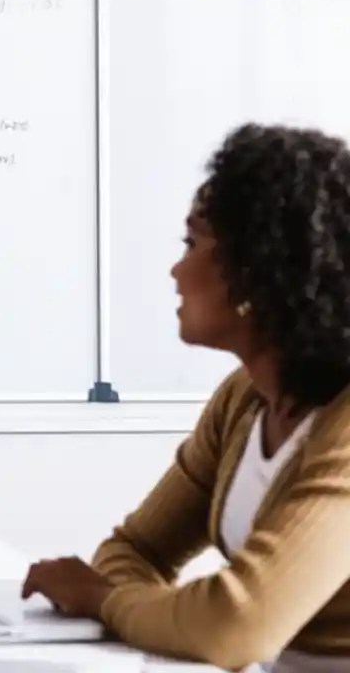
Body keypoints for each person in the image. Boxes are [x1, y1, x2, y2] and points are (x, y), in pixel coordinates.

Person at [21, 123, 350, 672]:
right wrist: (146, 606)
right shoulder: (245, 399)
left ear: (258, 270)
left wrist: (102, 599)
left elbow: (237, 625)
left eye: (192, 244)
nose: (176, 270)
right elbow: (134, 550)